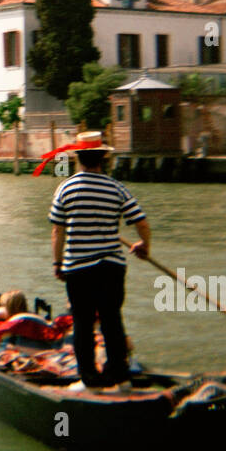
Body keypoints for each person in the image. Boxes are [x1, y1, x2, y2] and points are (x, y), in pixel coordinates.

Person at [48, 131, 150, 391]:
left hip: (79, 267)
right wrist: (143, 245)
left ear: (79, 158)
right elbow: (141, 221)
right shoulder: (116, 187)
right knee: (112, 320)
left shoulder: (66, 187)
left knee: (82, 323)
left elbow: (57, 230)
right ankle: (121, 378)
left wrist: (57, 263)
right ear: (103, 158)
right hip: (112, 267)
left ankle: (90, 381)